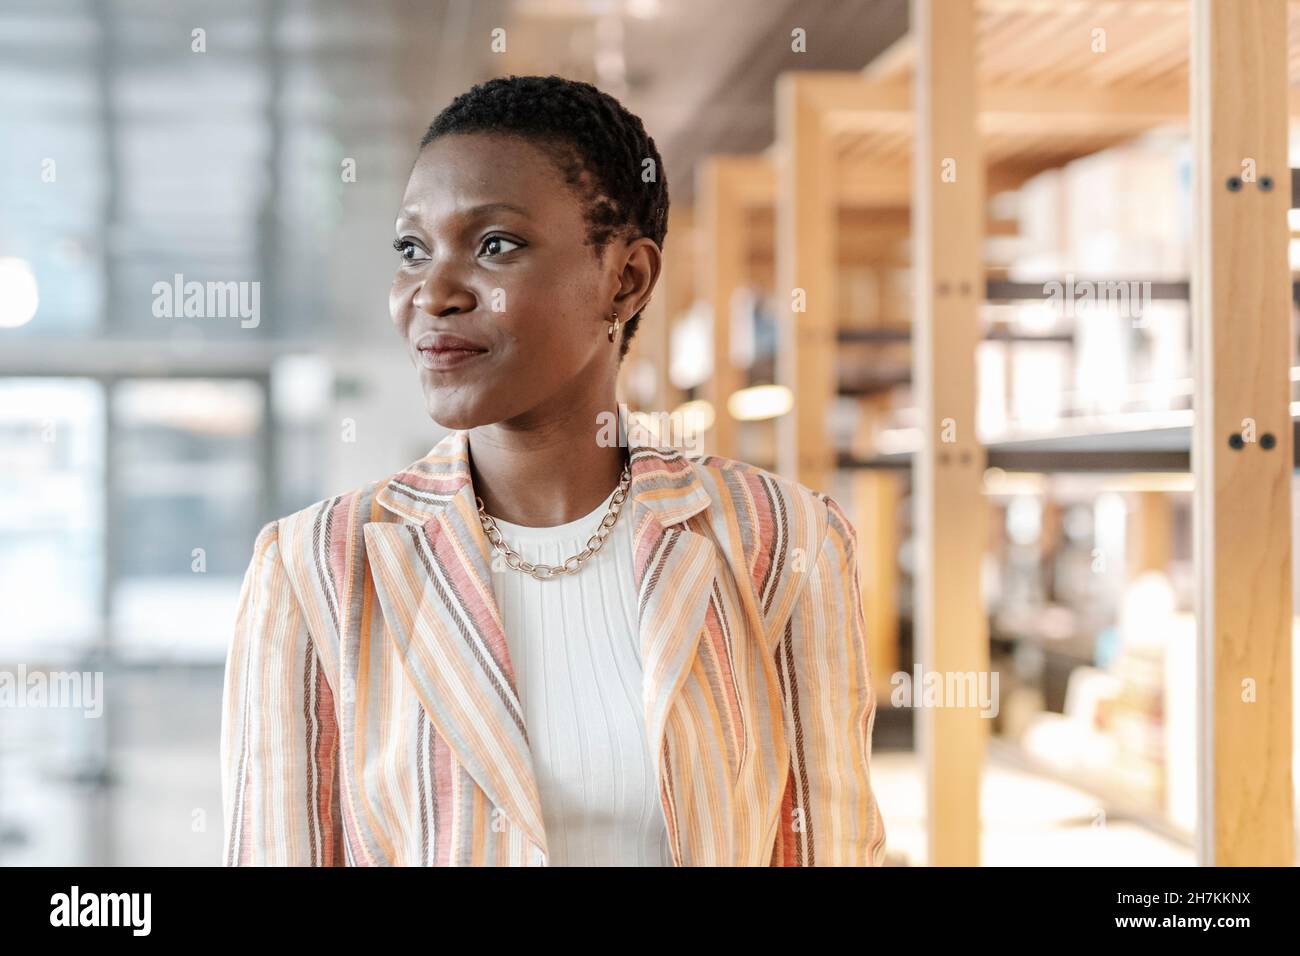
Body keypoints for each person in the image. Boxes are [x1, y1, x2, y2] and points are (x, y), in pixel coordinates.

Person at [219, 74, 886, 866]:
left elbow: (831, 847)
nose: (432, 292)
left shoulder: (780, 540)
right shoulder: (318, 567)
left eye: (495, 244)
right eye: (411, 249)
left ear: (626, 280)